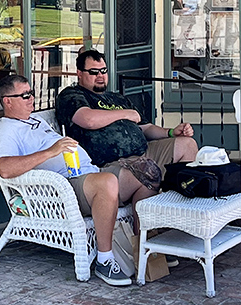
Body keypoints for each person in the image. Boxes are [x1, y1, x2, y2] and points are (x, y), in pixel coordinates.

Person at [0, 74, 151, 287]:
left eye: (32, 93)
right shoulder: (7, 131)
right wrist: (50, 152)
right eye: (25, 95)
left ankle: (142, 249)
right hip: (63, 190)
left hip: (88, 174)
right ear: (7, 101)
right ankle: (104, 260)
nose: (31, 99)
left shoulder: (34, 120)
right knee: (107, 182)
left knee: (147, 174)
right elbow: (5, 168)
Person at [56, 50, 198, 207]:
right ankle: (144, 231)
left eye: (103, 71)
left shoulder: (117, 98)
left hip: (143, 153)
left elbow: (146, 127)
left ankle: (180, 209)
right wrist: (125, 114)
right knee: (146, 171)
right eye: (93, 72)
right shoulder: (71, 95)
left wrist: (170, 132)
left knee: (187, 144)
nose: (100, 75)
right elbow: (88, 120)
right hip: (111, 164)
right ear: (79, 74)